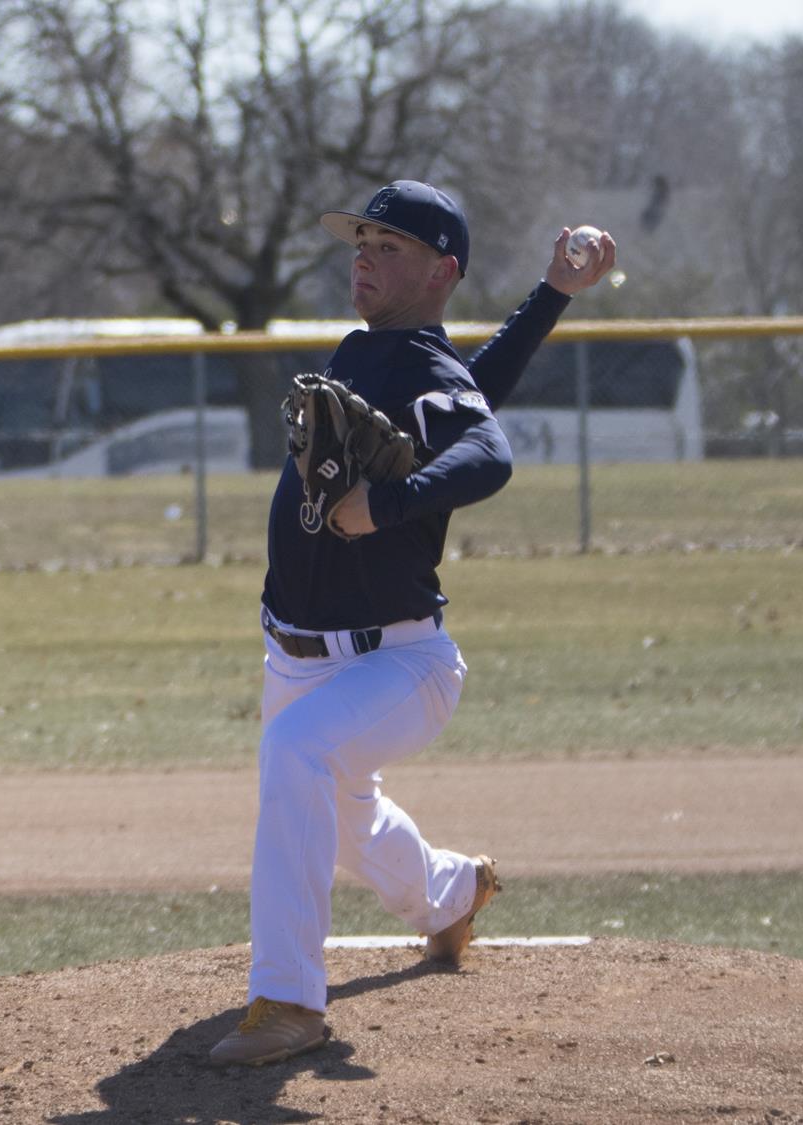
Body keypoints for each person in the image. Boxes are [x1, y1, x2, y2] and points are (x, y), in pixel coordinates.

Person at [209, 180, 616, 1067]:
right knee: (342, 809)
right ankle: (453, 893)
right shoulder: (370, 350)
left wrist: (388, 503)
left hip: (399, 661)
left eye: (388, 246)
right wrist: (552, 294)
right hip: (296, 651)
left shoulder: (419, 366)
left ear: (443, 271)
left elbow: (488, 451)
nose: (363, 255)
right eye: (360, 241)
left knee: (298, 758)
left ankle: (286, 1000)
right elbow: (477, 387)